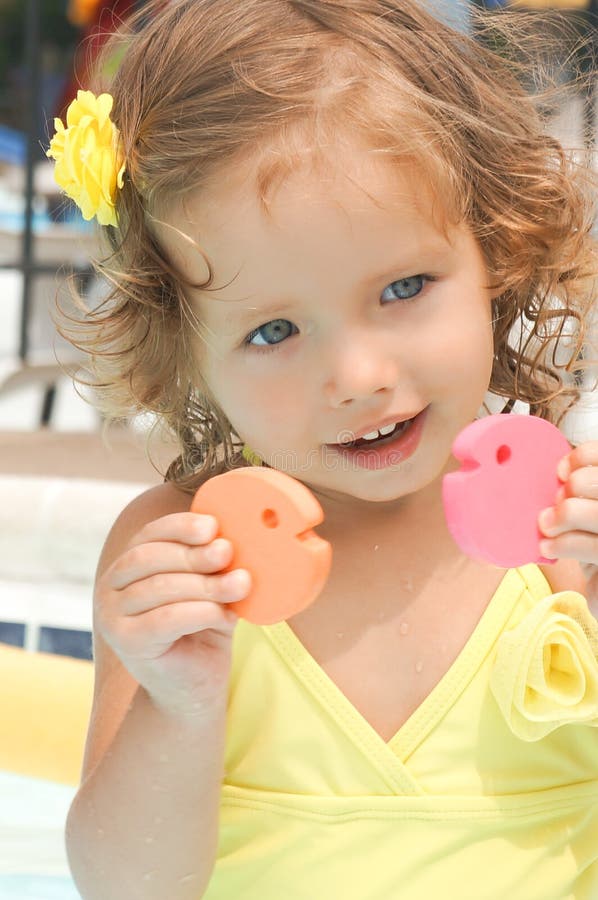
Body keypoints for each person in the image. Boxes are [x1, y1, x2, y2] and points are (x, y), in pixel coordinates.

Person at [47, 1, 598, 898]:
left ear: (493, 251)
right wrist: (177, 706)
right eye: (274, 332)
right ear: (184, 352)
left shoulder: (560, 538)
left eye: (404, 287)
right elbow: (126, 886)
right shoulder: (190, 562)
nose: (357, 376)